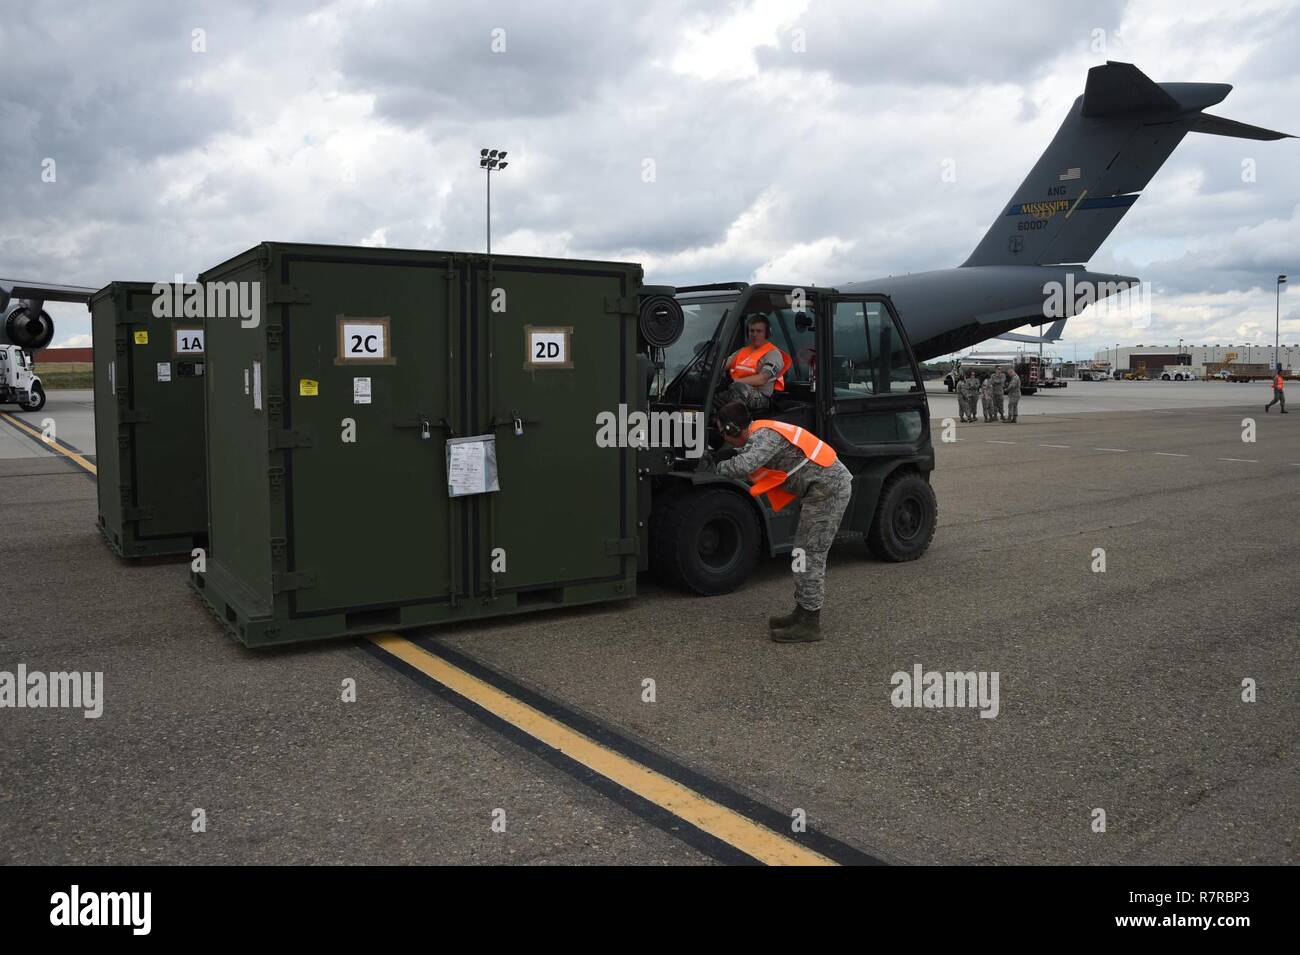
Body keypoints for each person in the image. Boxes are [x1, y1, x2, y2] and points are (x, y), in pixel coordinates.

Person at [704, 400, 852, 643]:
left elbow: (745, 465)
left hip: (827, 491)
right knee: (801, 554)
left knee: (808, 555)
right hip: (820, 491)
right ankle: (802, 611)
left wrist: (714, 465)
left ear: (731, 429)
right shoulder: (760, 435)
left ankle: (809, 623)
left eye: (722, 433)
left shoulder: (764, 435)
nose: (723, 438)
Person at [721, 315, 791, 413]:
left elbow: (762, 378)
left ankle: (738, 425)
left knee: (739, 388)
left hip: (760, 397)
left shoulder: (773, 354)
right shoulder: (742, 351)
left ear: (767, 333)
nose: (754, 334)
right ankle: (703, 425)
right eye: (752, 331)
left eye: (759, 331)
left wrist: (736, 382)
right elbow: (722, 365)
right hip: (736, 391)